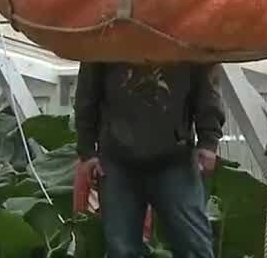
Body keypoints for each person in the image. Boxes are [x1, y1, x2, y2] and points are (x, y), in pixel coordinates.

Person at [74, 62, 226, 258]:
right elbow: (88, 90)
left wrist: (208, 140)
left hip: (175, 157)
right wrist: (87, 151)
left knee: (194, 245)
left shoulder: (191, 34)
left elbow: (206, 77)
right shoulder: (102, 34)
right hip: (117, 159)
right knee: (122, 250)